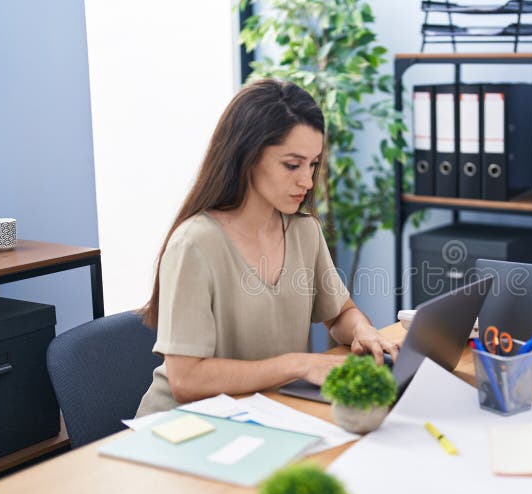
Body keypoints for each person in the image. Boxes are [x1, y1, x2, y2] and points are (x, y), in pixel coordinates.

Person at [136, 79, 398, 416]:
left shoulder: (305, 232)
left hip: (265, 415)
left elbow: (340, 313)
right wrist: (298, 365)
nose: (306, 181)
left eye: (313, 164)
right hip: (182, 427)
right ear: (248, 156)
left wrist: (363, 330)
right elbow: (186, 381)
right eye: (292, 165)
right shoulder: (194, 245)